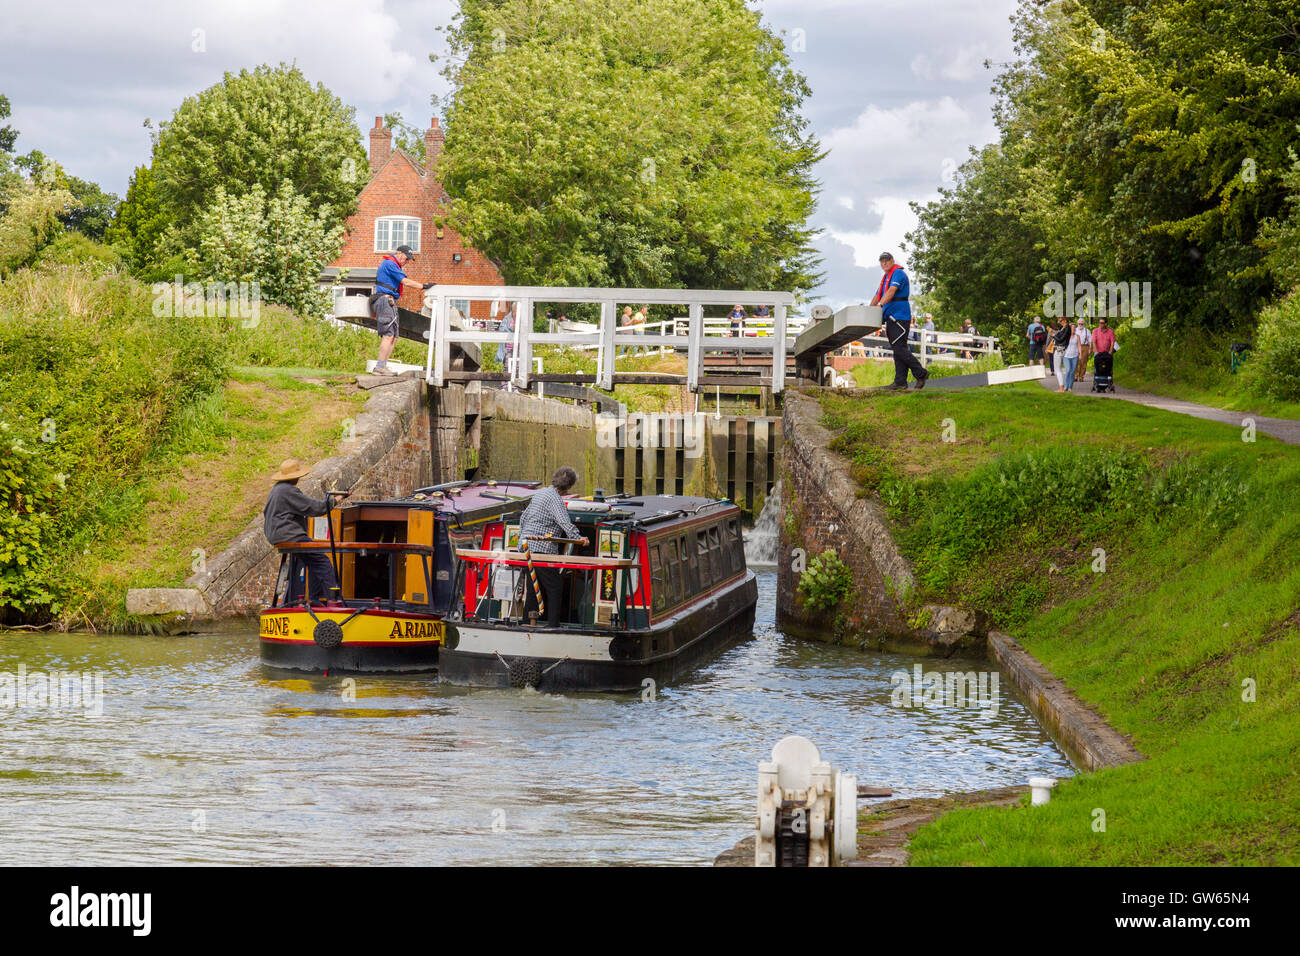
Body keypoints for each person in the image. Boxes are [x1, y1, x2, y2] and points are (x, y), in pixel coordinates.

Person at [263, 458, 345, 603]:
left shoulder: (275, 490)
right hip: (290, 535)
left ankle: (314, 599)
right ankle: (334, 602)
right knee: (323, 562)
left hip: (276, 535)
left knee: (313, 561)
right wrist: (337, 499)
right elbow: (316, 508)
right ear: (295, 477)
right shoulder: (288, 491)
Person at [518, 466, 590, 627]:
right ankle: (553, 625)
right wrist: (579, 539)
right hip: (541, 549)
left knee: (533, 588)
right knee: (555, 586)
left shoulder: (540, 493)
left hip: (527, 548)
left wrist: (521, 542)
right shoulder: (555, 499)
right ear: (569, 487)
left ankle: (528, 622)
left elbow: (523, 518)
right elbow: (564, 522)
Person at [370, 244, 435, 374]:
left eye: (409, 260)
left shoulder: (394, 265)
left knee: (394, 337)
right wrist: (424, 286)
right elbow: (405, 282)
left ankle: (383, 366)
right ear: (399, 253)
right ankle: (379, 367)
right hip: (384, 300)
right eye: (406, 258)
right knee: (388, 335)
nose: (407, 262)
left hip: (390, 301)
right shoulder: (390, 264)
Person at [871, 252, 927, 390]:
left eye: (887, 260)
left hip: (900, 317)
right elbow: (877, 295)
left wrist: (879, 306)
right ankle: (900, 381)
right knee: (897, 350)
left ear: (892, 260)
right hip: (891, 317)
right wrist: (869, 311)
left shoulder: (898, 274)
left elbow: (891, 292)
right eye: (882, 261)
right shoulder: (885, 277)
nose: (884, 263)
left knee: (899, 348)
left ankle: (921, 373)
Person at [1051, 317, 1071, 392]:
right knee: (1059, 369)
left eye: (1061, 320)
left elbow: (1060, 339)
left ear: (1065, 320)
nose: (1059, 322)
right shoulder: (1063, 328)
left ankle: (1061, 387)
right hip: (1060, 349)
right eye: (1059, 321)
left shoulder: (1067, 328)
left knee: (1058, 369)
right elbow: (1059, 336)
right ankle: (1062, 386)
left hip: (1060, 349)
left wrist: (1053, 335)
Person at [1062, 318, 1080, 391]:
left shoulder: (1077, 336)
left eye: (1075, 328)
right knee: (1068, 370)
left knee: (1072, 371)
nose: (1074, 329)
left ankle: (1070, 387)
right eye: (1072, 328)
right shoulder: (1066, 336)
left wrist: (1080, 354)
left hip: (1075, 356)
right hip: (1066, 355)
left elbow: (1079, 345)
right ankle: (1065, 386)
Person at [1074, 317, 1092, 381]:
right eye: (1079, 324)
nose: (1080, 325)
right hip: (1076, 346)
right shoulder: (1075, 330)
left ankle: (1081, 376)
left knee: (1083, 362)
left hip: (1084, 346)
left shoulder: (1087, 331)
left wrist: (1090, 348)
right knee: (1076, 361)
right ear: (1077, 324)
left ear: (1084, 324)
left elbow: (1090, 340)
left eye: (1082, 324)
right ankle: (1075, 376)